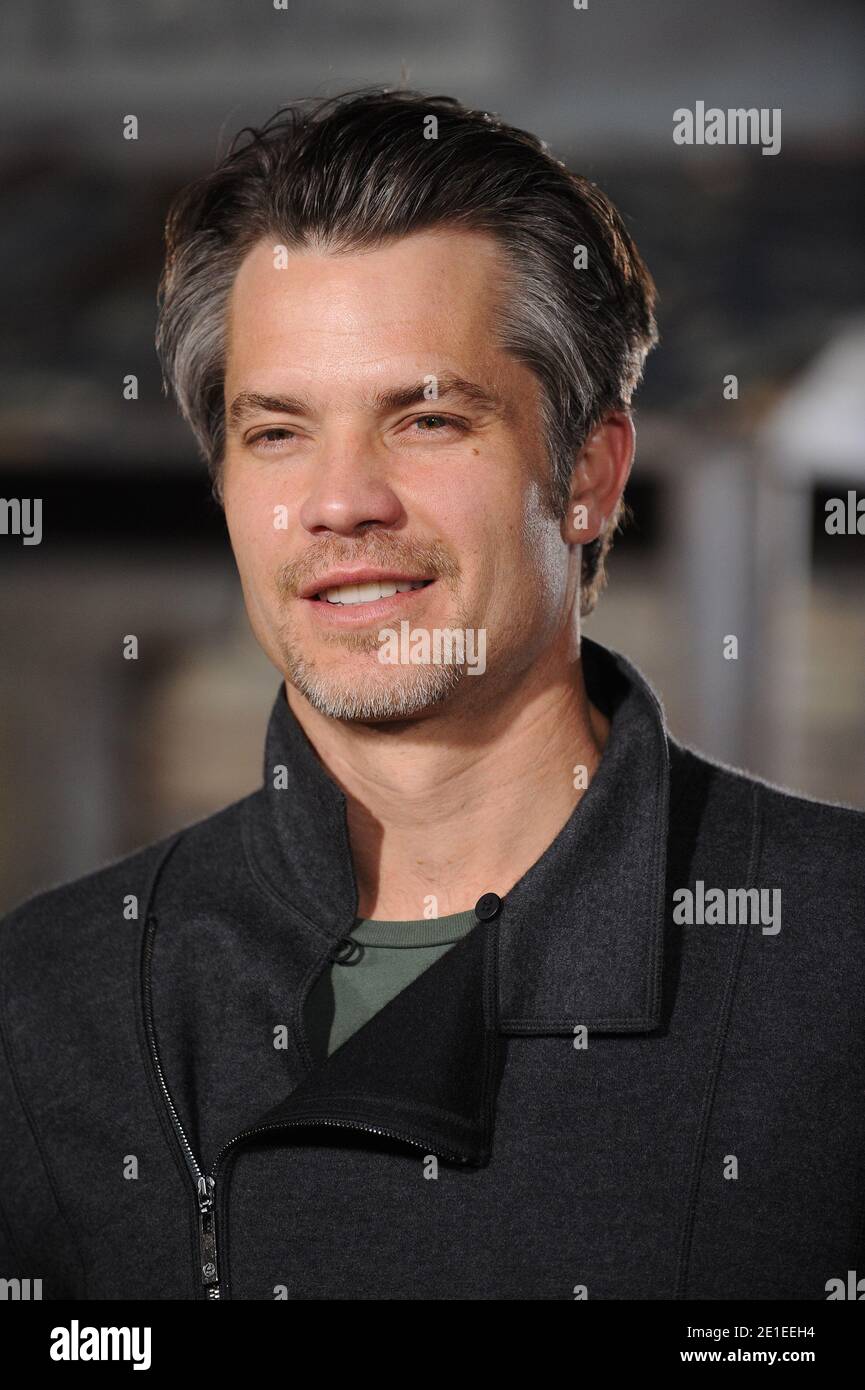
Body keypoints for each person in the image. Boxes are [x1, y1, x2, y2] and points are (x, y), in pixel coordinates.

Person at [1, 89, 862, 1302]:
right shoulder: (53, 1001)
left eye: (427, 417)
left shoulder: (834, 955)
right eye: (278, 432)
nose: (343, 499)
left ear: (590, 476)